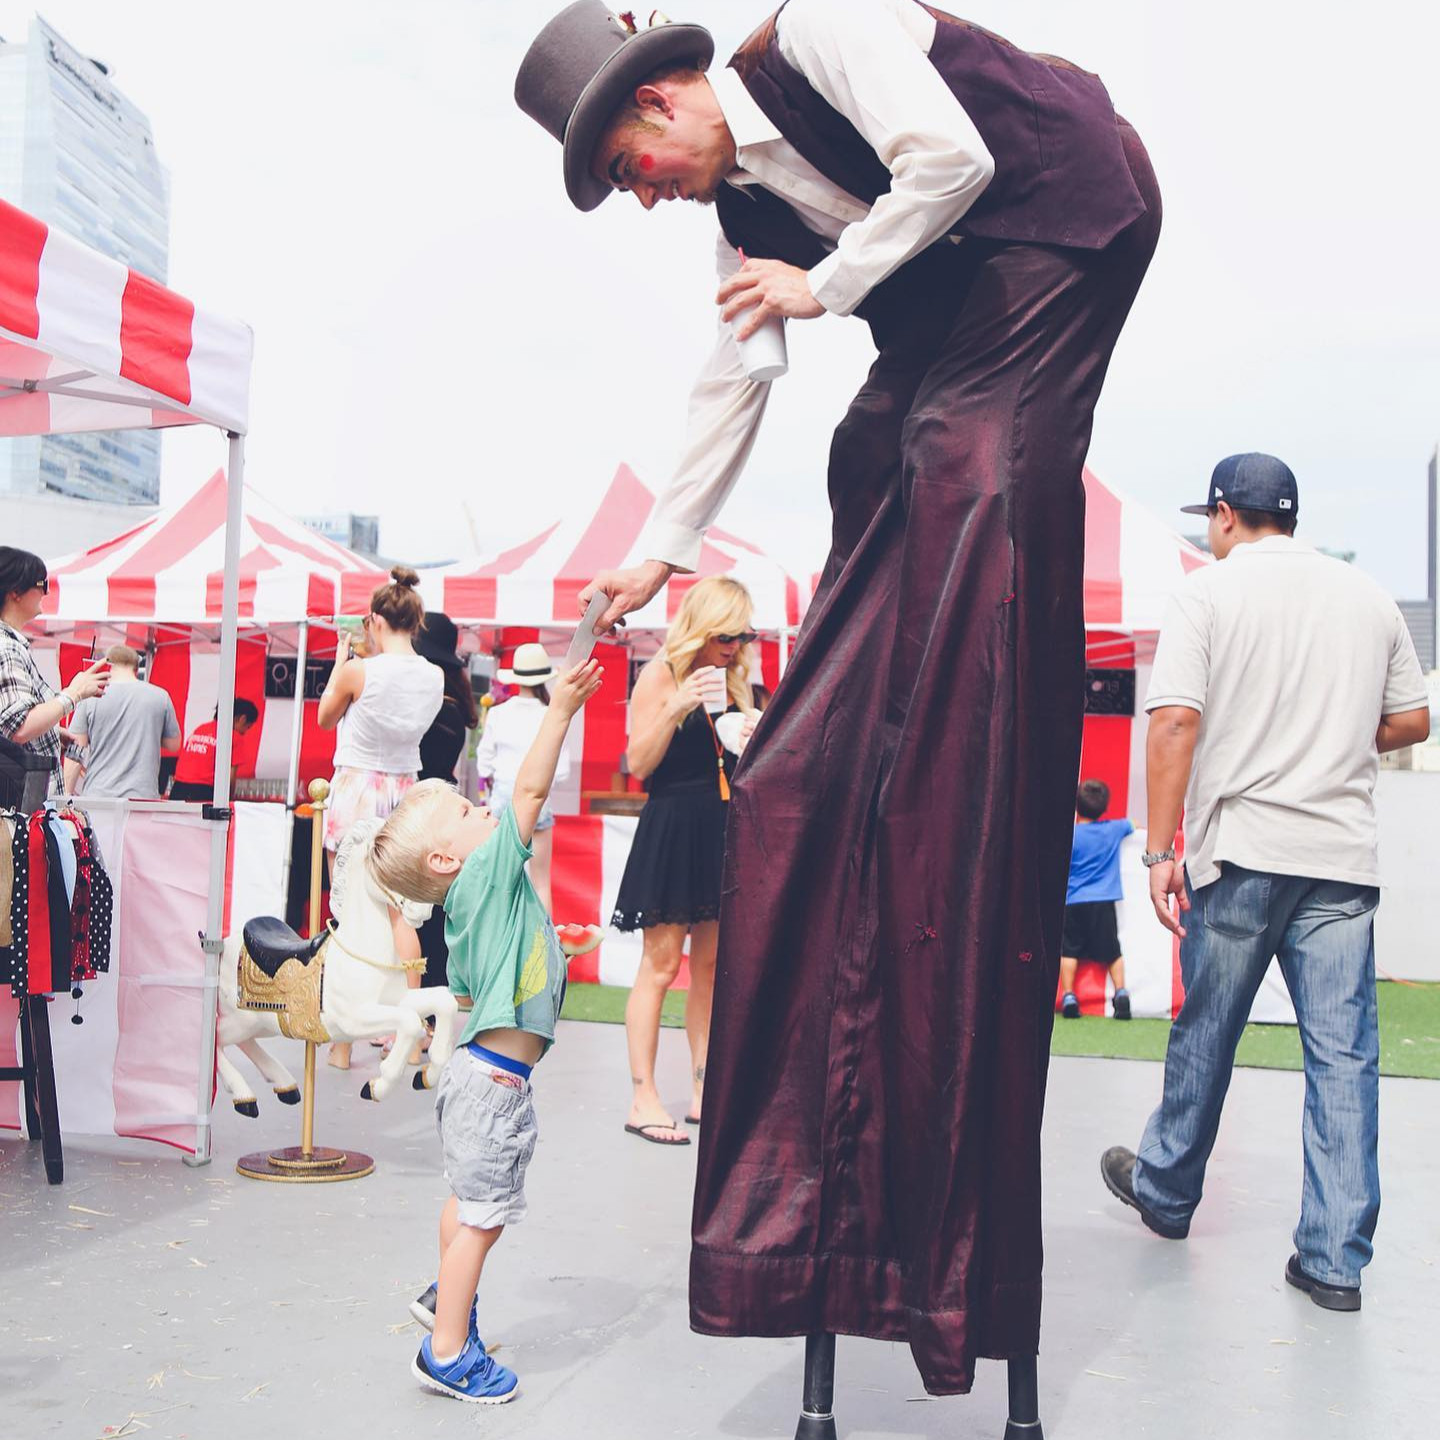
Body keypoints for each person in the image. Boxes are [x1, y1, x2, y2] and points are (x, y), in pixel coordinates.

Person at [517, 1, 1161, 1392]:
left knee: (957, 456)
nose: (641, 196)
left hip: (1067, 222)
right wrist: (660, 551)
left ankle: (948, 727)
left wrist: (832, 282)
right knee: (878, 453)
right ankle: (848, 753)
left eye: (628, 168)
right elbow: (731, 382)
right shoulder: (738, 215)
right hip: (947, 305)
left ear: (662, 100)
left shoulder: (815, 33)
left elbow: (951, 158)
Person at [1100, 454, 1429, 1314]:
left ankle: (1167, 1194)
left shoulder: (1209, 594)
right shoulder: (1366, 597)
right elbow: (1412, 718)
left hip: (1243, 846)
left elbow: (1174, 720)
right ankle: (1333, 1261)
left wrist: (1161, 851)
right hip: (1339, 857)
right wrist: (1330, 731)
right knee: (1343, 1057)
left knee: (1209, 1031)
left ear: (1222, 516)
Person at [367, 658, 604, 1405]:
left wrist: (548, 943)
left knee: (468, 1202)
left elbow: (482, 981)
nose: (486, 813)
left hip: (483, 1078)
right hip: (495, 1086)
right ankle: (445, 1354)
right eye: (469, 815)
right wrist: (558, 710)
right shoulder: (488, 871)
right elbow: (529, 790)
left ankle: (446, 1300)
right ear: (446, 858)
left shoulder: (476, 898)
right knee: (483, 1219)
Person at [609, 576, 758, 1146]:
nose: (736, 646)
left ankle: (703, 1088)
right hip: (673, 823)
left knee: (713, 965)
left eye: (743, 636)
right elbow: (639, 763)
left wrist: (753, 731)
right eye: (727, 635)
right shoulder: (661, 673)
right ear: (701, 626)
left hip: (722, 826)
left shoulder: (737, 678)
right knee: (662, 964)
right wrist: (676, 705)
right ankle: (642, 1093)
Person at [318, 566, 444, 1069]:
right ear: (416, 621)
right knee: (403, 914)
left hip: (357, 788)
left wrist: (341, 663)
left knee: (350, 912)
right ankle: (410, 1030)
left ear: (372, 620)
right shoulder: (433, 675)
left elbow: (326, 717)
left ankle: (345, 1039)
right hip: (404, 791)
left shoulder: (358, 672)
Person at [0, 546, 108, 795]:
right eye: (41, 584)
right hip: (20, 809)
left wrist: (49, 732)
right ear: (16, 592)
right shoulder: (7, 647)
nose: (45, 592)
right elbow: (20, 727)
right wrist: (74, 693)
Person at [476, 643, 570, 914]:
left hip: (504, 797)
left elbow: (485, 762)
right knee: (541, 882)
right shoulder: (551, 715)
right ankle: (542, 947)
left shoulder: (497, 713)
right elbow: (561, 771)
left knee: (499, 878)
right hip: (538, 798)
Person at [1059, 778, 1134, 1020]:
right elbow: (1134, 825)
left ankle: (1069, 995)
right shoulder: (1114, 829)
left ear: (1076, 806)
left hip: (1073, 900)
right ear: (1104, 807)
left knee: (1068, 951)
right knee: (1112, 951)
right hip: (1103, 901)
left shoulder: (1068, 834)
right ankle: (1121, 993)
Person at [63, 645, 181, 799]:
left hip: (99, 796)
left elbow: (75, 750)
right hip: (142, 798)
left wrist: (66, 794)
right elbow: (174, 745)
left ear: (108, 665)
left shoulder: (91, 696)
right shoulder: (160, 696)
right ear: (136, 668)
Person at [168, 698, 261, 802]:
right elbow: (230, 778)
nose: (245, 732)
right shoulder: (233, 736)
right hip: (203, 791)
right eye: (247, 727)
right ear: (242, 719)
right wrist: (228, 802)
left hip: (178, 788)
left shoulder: (201, 728)